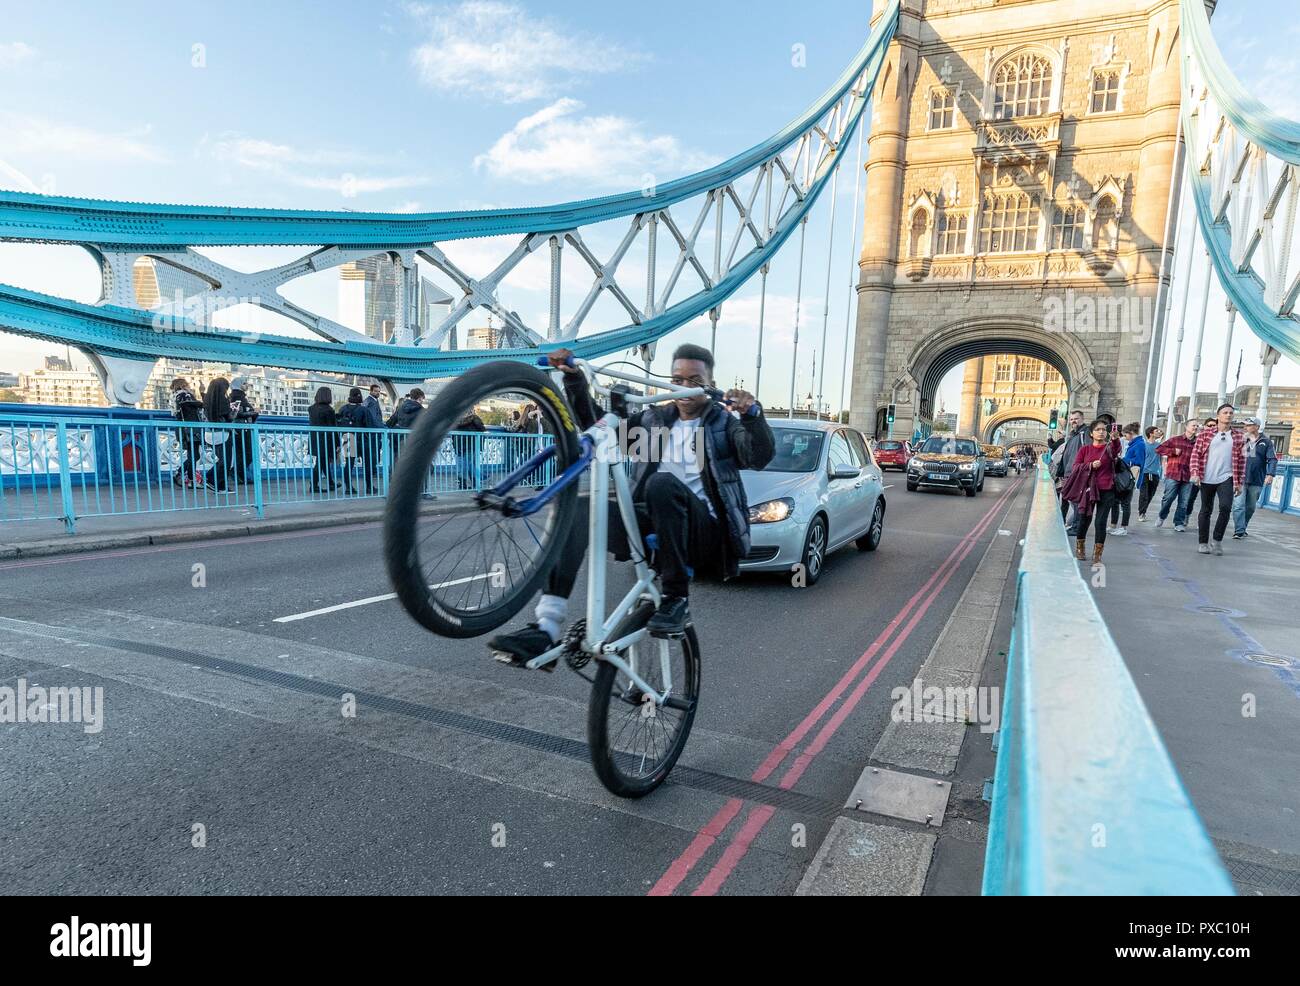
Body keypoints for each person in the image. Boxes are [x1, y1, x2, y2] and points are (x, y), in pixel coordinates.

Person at [487, 343, 775, 665]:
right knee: (582, 511)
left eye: (695, 381)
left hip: (703, 533)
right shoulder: (655, 421)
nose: (683, 387)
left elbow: (758, 455)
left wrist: (753, 415)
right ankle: (546, 628)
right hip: (654, 521)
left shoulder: (722, 424)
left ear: (710, 383)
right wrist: (574, 381)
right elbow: (598, 427)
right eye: (677, 378)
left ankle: (676, 598)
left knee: (663, 483)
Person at [1060, 418, 1123, 562]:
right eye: (1098, 430)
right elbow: (1075, 466)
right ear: (1091, 434)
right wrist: (1089, 465)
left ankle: (1097, 554)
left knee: (1100, 522)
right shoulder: (1085, 449)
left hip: (1107, 489)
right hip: (1088, 489)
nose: (1101, 432)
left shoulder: (1109, 447)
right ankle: (1080, 548)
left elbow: (1116, 451)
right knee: (1084, 519)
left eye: (1103, 430)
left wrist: (1115, 440)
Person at [1189, 402, 1246, 556]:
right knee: (1206, 510)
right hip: (1206, 477)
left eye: (1231, 413)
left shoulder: (1240, 436)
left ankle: (1217, 541)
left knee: (1226, 507)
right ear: (1218, 415)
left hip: (1226, 477)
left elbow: (1242, 460)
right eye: (1225, 412)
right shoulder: (1205, 434)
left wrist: (1239, 482)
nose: (1228, 415)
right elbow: (1195, 454)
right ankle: (1203, 542)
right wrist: (1195, 472)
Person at [1232, 416, 1278, 539]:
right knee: (1238, 505)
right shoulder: (1241, 440)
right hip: (1240, 478)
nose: (1245, 427)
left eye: (1248, 425)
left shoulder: (1266, 442)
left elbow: (1272, 459)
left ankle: (1243, 526)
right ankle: (1239, 530)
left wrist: (1270, 474)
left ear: (1257, 427)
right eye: (1245, 425)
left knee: (1250, 507)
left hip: (1257, 479)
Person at [1154, 420, 1199, 530]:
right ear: (1186, 427)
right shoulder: (1175, 440)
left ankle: (1178, 523)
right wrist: (1173, 451)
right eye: (1193, 425)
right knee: (1168, 498)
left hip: (1189, 476)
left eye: (1197, 426)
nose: (1195, 427)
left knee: (1184, 501)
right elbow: (1159, 449)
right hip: (1173, 474)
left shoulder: (1198, 442)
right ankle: (1162, 516)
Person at [1051, 409, 1088, 530]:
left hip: (1077, 473)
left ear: (1082, 419)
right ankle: (1073, 523)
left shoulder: (1085, 433)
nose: (1073, 421)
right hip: (1068, 473)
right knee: (1071, 499)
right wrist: (1062, 472)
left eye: (1076, 419)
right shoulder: (1073, 434)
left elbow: (1088, 452)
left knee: (1076, 500)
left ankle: (1077, 527)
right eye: (1071, 419)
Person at [169, 377, 204, 487]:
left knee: (192, 454)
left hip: (182, 427)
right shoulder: (185, 395)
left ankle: (181, 474)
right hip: (191, 428)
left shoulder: (174, 396)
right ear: (183, 384)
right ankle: (191, 479)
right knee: (194, 454)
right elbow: (192, 406)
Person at [1107, 422, 1140, 536]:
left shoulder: (1139, 444)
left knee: (1125, 503)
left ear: (1130, 434)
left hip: (1128, 477)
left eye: (1126, 435)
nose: (1125, 438)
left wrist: (1124, 461)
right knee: (1115, 502)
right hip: (1122, 476)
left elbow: (1139, 463)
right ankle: (1113, 525)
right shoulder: (1133, 444)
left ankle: (1123, 527)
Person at [202, 377, 234, 492]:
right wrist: (234, 412)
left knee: (222, 460)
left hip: (209, 433)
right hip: (222, 433)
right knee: (226, 461)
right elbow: (228, 417)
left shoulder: (206, 399)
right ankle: (211, 479)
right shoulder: (223, 400)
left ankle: (220, 485)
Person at [336, 388, 370, 495]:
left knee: (349, 464)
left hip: (347, 438)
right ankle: (369, 487)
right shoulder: (364, 410)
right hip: (362, 439)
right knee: (366, 464)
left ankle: (348, 487)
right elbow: (370, 425)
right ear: (359, 396)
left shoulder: (342, 409)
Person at [228, 376, 260, 485]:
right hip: (242, 428)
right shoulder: (237, 397)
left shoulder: (237, 396)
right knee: (247, 453)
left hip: (241, 427)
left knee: (241, 453)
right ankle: (237, 473)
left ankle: (239, 475)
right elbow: (236, 413)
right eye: (244, 383)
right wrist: (253, 413)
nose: (246, 385)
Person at [308, 386, 340, 492]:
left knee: (323, 461)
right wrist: (337, 444)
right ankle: (314, 485)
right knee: (320, 463)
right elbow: (333, 428)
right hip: (326, 440)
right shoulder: (329, 410)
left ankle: (331, 483)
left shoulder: (311, 408)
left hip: (314, 439)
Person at [452, 407, 487, 490]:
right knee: (473, 465)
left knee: (461, 466)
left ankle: (462, 485)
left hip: (458, 444)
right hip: (472, 445)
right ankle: (476, 484)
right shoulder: (474, 418)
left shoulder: (455, 419)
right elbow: (482, 429)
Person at [1136, 425, 1164, 521]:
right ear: (1151, 433)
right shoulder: (1144, 445)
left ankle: (1143, 510)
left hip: (1155, 473)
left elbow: (1161, 460)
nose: (1158, 432)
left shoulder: (1159, 446)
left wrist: (1161, 472)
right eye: (1156, 431)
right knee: (1143, 494)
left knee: (1150, 494)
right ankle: (1141, 513)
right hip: (1144, 473)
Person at [361, 384, 385, 493]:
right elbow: (373, 419)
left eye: (379, 392)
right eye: (376, 391)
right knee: (371, 459)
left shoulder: (369, 401)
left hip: (371, 434)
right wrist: (383, 428)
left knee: (371, 459)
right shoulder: (370, 402)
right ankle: (370, 486)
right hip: (373, 434)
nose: (378, 393)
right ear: (370, 391)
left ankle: (370, 483)